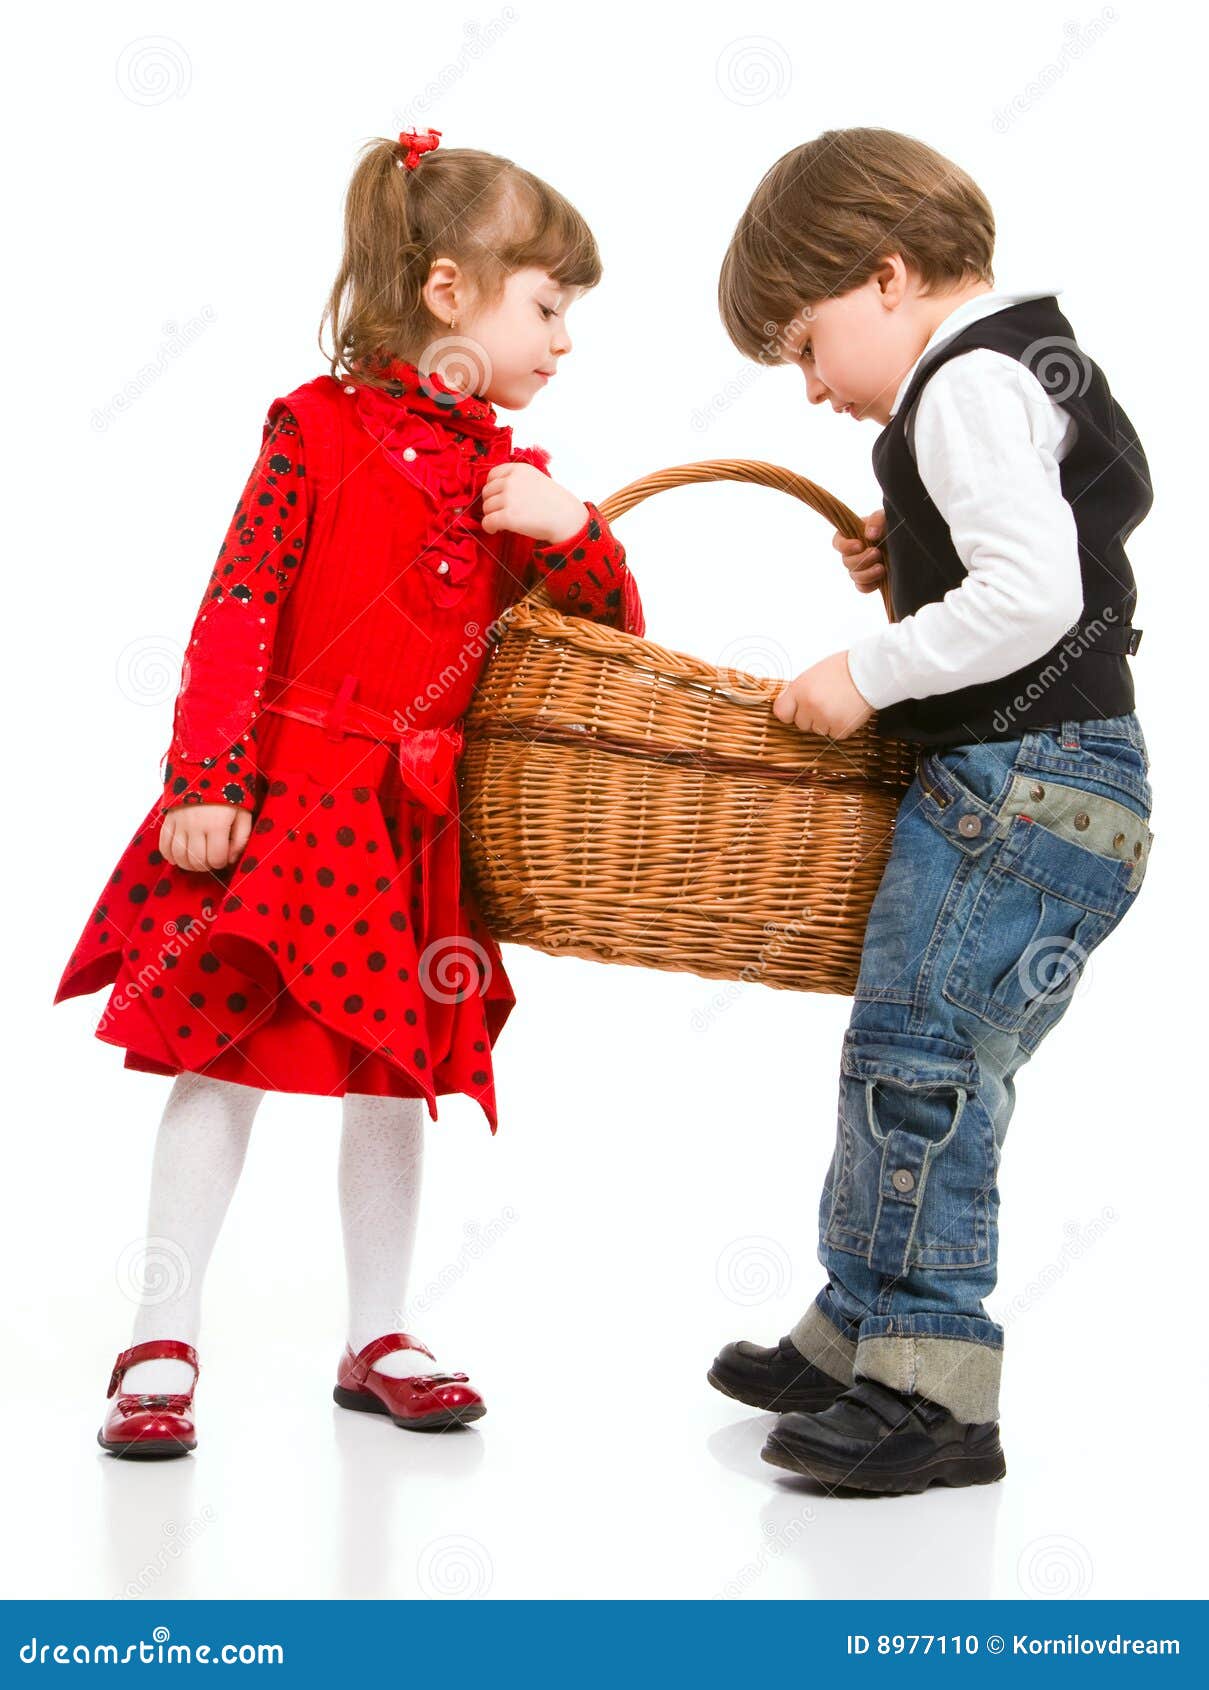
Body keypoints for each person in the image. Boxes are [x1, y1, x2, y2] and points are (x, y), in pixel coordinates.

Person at [54, 126, 644, 1458]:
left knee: (396, 1073)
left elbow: (602, 649)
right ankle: (164, 1329)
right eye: (547, 305)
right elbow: (240, 604)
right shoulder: (312, 430)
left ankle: (377, 1328)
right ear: (449, 294)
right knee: (214, 1052)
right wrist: (207, 777)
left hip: (408, 827)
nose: (564, 338)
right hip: (282, 804)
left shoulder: (516, 484)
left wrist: (577, 535)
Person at [707, 127, 1154, 1494]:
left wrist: (870, 665)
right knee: (903, 1049)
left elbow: (1033, 599)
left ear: (885, 278)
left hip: (1021, 790)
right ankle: (860, 1322)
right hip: (1046, 792)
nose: (806, 387)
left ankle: (931, 1381)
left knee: (925, 1074)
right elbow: (1045, 541)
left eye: (800, 344)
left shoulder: (960, 388)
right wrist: (903, 554)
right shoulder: (1015, 364)